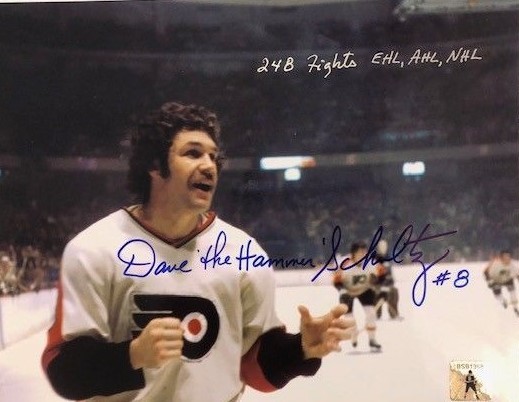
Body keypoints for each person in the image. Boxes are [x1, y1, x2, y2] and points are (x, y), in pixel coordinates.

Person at [41, 101, 354, 402]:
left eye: (213, 157)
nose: (208, 166)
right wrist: (132, 355)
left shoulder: (244, 252)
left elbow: (253, 369)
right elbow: (62, 369)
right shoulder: (93, 249)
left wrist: (301, 350)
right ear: (154, 165)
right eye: (192, 153)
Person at [332, 241, 383, 352]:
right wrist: (342, 289)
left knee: (371, 313)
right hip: (348, 291)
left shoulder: (370, 262)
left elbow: (381, 274)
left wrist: (378, 283)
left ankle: (372, 339)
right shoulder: (344, 263)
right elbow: (336, 280)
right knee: (350, 319)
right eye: (360, 252)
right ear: (353, 253)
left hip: (364, 289)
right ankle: (353, 334)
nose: (363, 254)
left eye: (364, 251)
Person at [484, 250, 519, 316]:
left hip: (507, 279)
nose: (507, 259)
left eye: (509, 257)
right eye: (505, 257)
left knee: (513, 292)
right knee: (497, 295)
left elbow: (517, 274)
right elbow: (486, 272)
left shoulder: (512, 265)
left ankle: (515, 308)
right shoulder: (495, 264)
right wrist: (490, 282)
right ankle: (503, 301)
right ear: (501, 258)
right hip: (496, 280)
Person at [373, 240, 400, 320]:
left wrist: (390, 283)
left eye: (385, 246)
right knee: (376, 293)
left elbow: (390, 275)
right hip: (377, 285)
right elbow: (373, 276)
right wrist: (379, 285)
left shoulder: (388, 258)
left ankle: (394, 314)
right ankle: (377, 314)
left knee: (394, 291)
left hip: (387, 285)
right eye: (381, 247)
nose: (383, 248)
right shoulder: (374, 260)